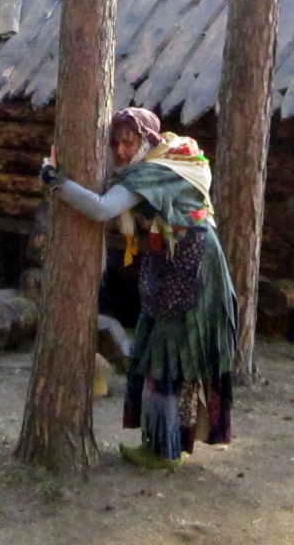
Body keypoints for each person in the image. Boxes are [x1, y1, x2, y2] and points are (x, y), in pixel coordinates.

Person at [40, 107, 237, 470]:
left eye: (128, 143)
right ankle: (165, 444)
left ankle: (165, 450)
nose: (121, 152)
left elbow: (101, 208)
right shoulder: (171, 159)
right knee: (162, 351)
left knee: (168, 353)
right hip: (183, 259)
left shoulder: (156, 172)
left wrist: (56, 181)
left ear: (147, 140)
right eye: (115, 144)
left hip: (190, 266)